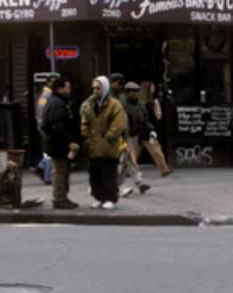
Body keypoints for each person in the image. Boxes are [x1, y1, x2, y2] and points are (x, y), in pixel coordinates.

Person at [80, 75, 127, 209]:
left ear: (105, 88)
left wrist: (108, 136)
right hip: (93, 146)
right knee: (94, 175)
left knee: (108, 174)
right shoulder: (89, 104)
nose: (95, 90)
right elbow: (85, 121)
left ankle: (110, 198)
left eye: (98, 88)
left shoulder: (114, 105)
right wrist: (86, 137)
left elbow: (119, 124)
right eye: (94, 88)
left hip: (108, 147)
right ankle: (98, 197)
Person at [40, 75, 81, 209]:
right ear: (60, 88)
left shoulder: (57, 101)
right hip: (58, 143)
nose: (69, 90)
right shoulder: (57, 103)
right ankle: (59, 198)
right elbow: (57, 126)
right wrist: (69, 142)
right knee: (60, 171)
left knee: (62, 170)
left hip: (57, 142)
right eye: (67, 87)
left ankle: (62, 197)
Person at [120, 82, 151, 196]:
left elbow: (144, 117)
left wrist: (149, 128)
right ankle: (121, 186)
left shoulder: (139, 104)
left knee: (128, 161)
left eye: (134, 91)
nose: (132, 93)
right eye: (130, 91)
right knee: (125, 160)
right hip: (124, 135)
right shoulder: (122, 104)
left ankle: (139, 183)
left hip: (134, 134)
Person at [138, 82, 171, 177]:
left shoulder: (138, 102)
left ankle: (127, 171)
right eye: (152, 87)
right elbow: (158, 115)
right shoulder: (153, 102)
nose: (154, 89)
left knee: (132, 153)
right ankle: (164, 170)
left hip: (138, 130)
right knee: (156, 150)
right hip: (149, 130)